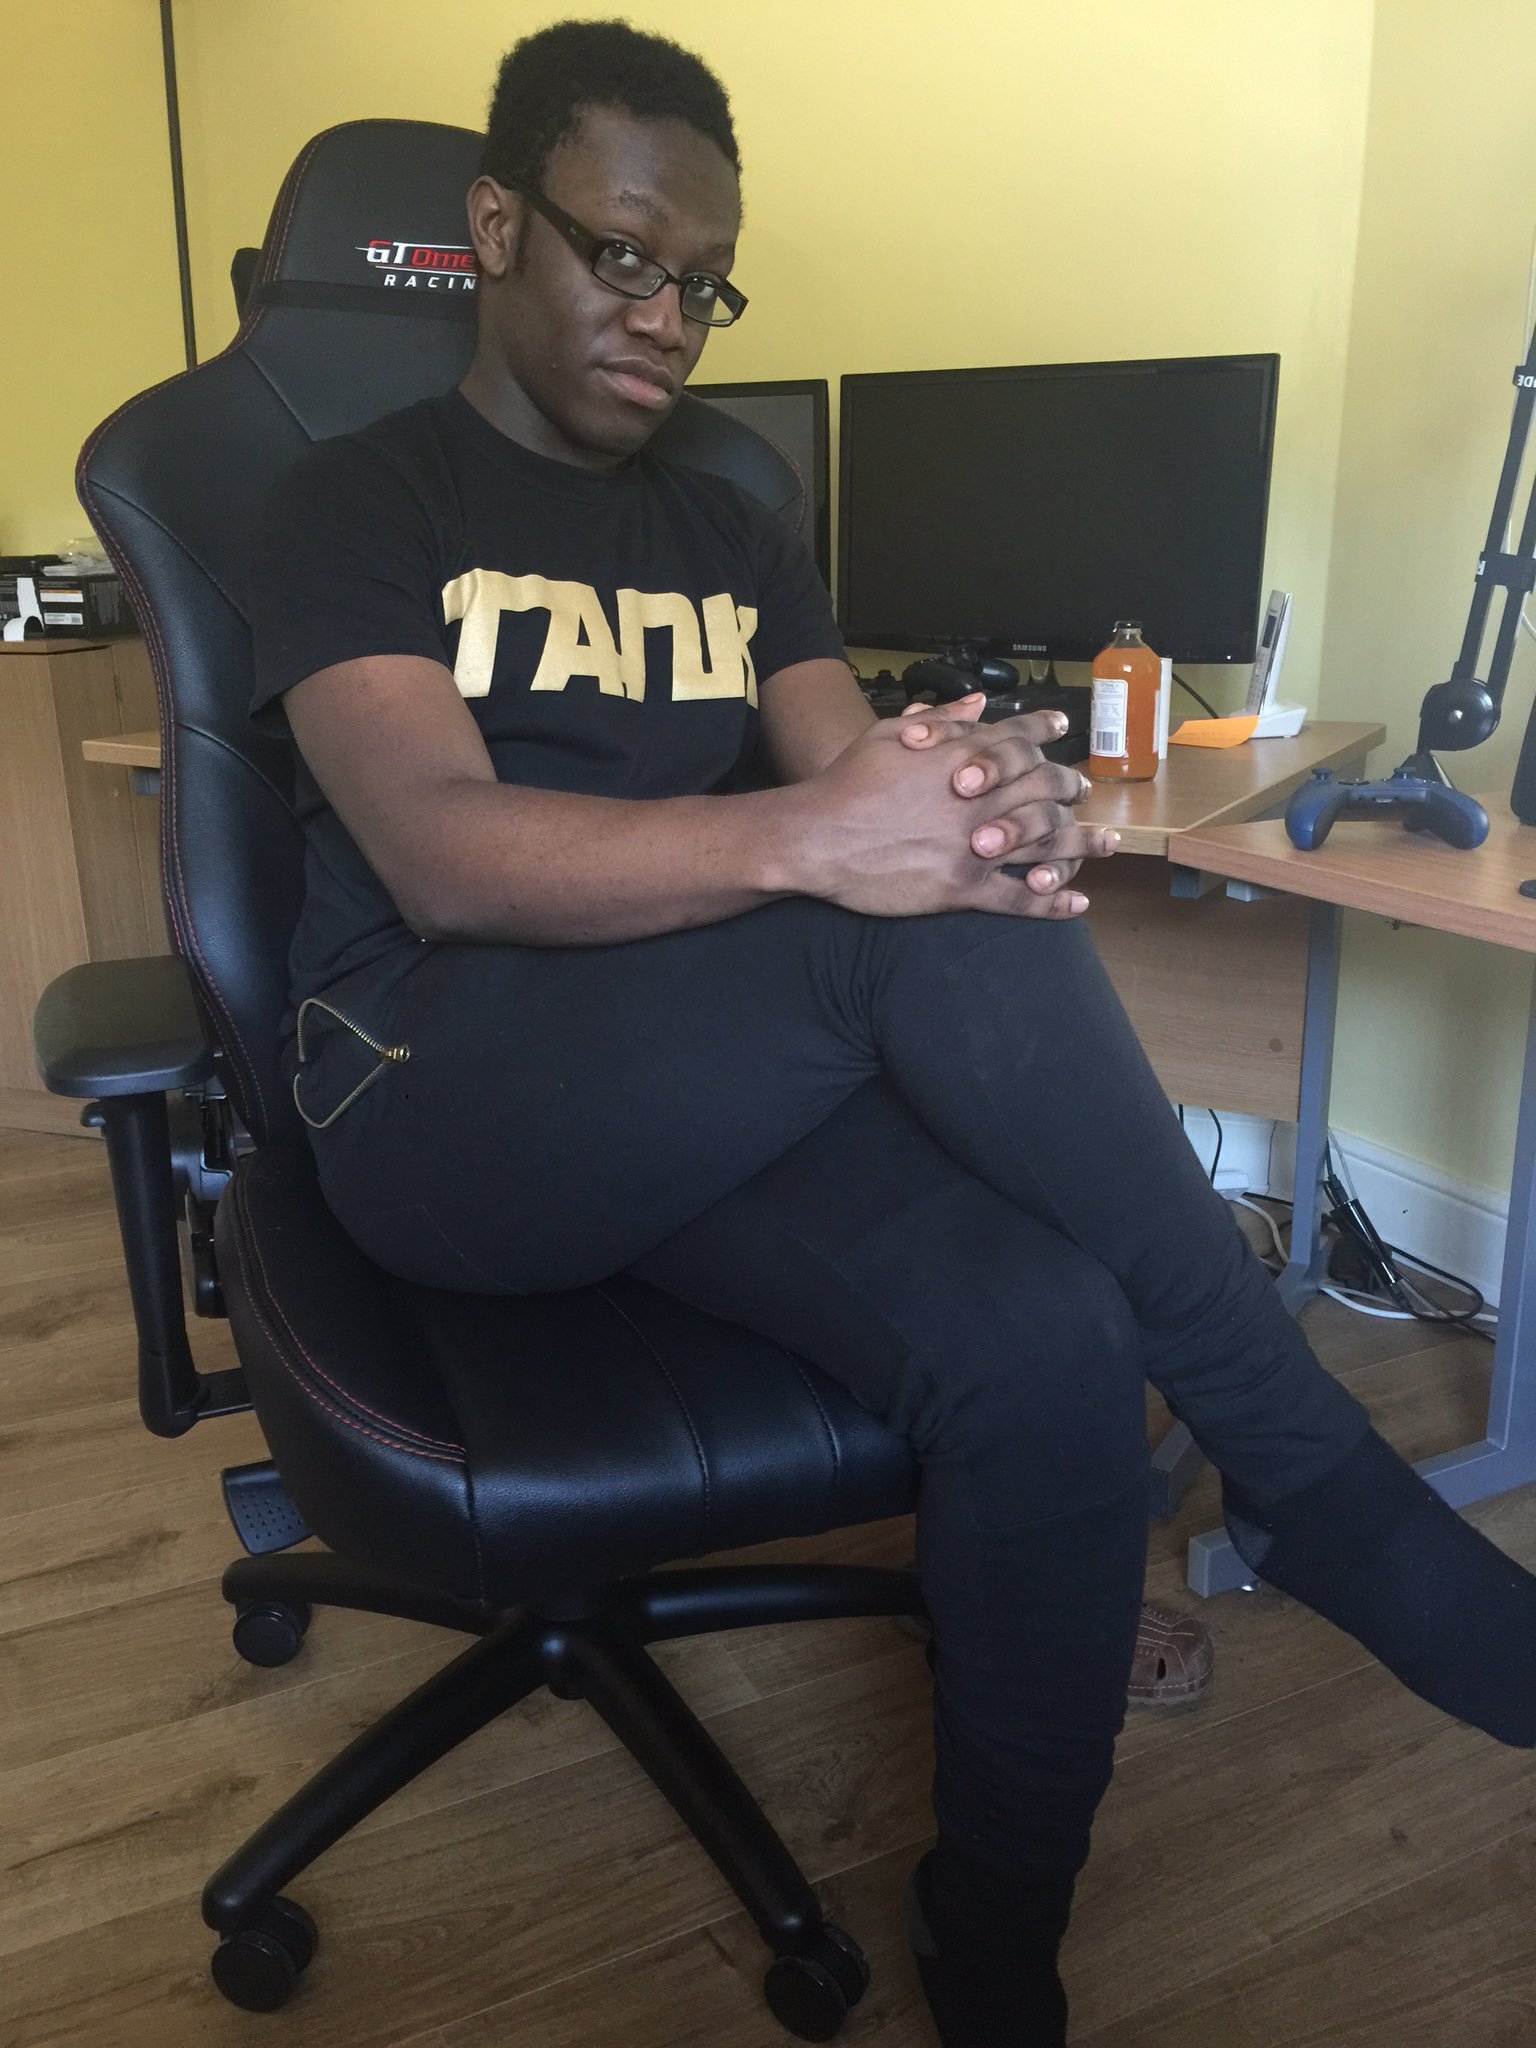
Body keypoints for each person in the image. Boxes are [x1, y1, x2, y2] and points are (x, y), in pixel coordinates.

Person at [250, 21, 1536, 2045]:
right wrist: (834, 841)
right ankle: (1313, 1476)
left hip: (696, 1080)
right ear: (496, 226)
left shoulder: (735, 519)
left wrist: (990, 807)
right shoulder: (354, 498)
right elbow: (443, 858)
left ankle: (995, 1932)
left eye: (705, 284)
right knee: (892, 925)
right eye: (622, 255)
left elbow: (866, 792)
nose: (666, 317)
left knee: (1049, 1329)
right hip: (440, 1087)